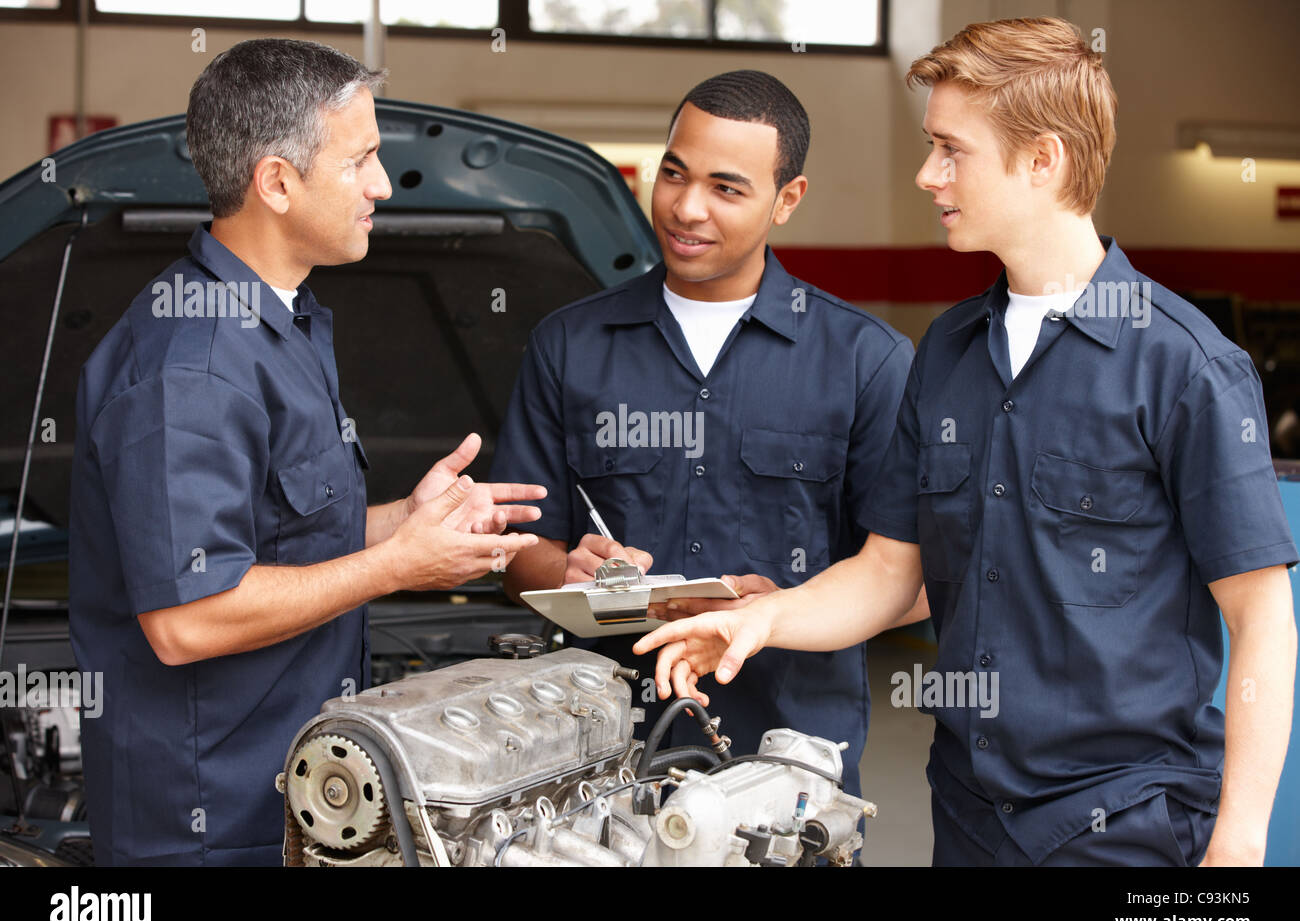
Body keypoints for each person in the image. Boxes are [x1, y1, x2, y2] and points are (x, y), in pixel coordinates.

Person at [636, 18, 1297, 867]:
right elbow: (889, 573)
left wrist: (1237, 846)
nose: (926, 174)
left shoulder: (1185, 364)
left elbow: (1263, 617)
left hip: (1128, 825)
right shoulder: (948, 352)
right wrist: (760, 619)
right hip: (970, 817)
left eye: (952, 150)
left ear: (1042, 160)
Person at [68, 38, 544, 866]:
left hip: (305, 795)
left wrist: (408, 523)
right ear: (276, 181)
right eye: (360, 159)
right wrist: (400, 567)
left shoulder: (282, 322)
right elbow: (188, 618)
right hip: (212, 820)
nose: (382, 186)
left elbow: (277, 541)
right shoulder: (192, 367)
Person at [490, 70, 926, 798]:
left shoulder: (867, 361)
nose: (686, 208)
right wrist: (570, 568)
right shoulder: (568, 345)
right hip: (599, 763)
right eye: (673, 174)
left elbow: (912, 581)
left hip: (787, 764)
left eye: (727, 188)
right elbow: (518, 558)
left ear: (788, 200)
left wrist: (782, 611)